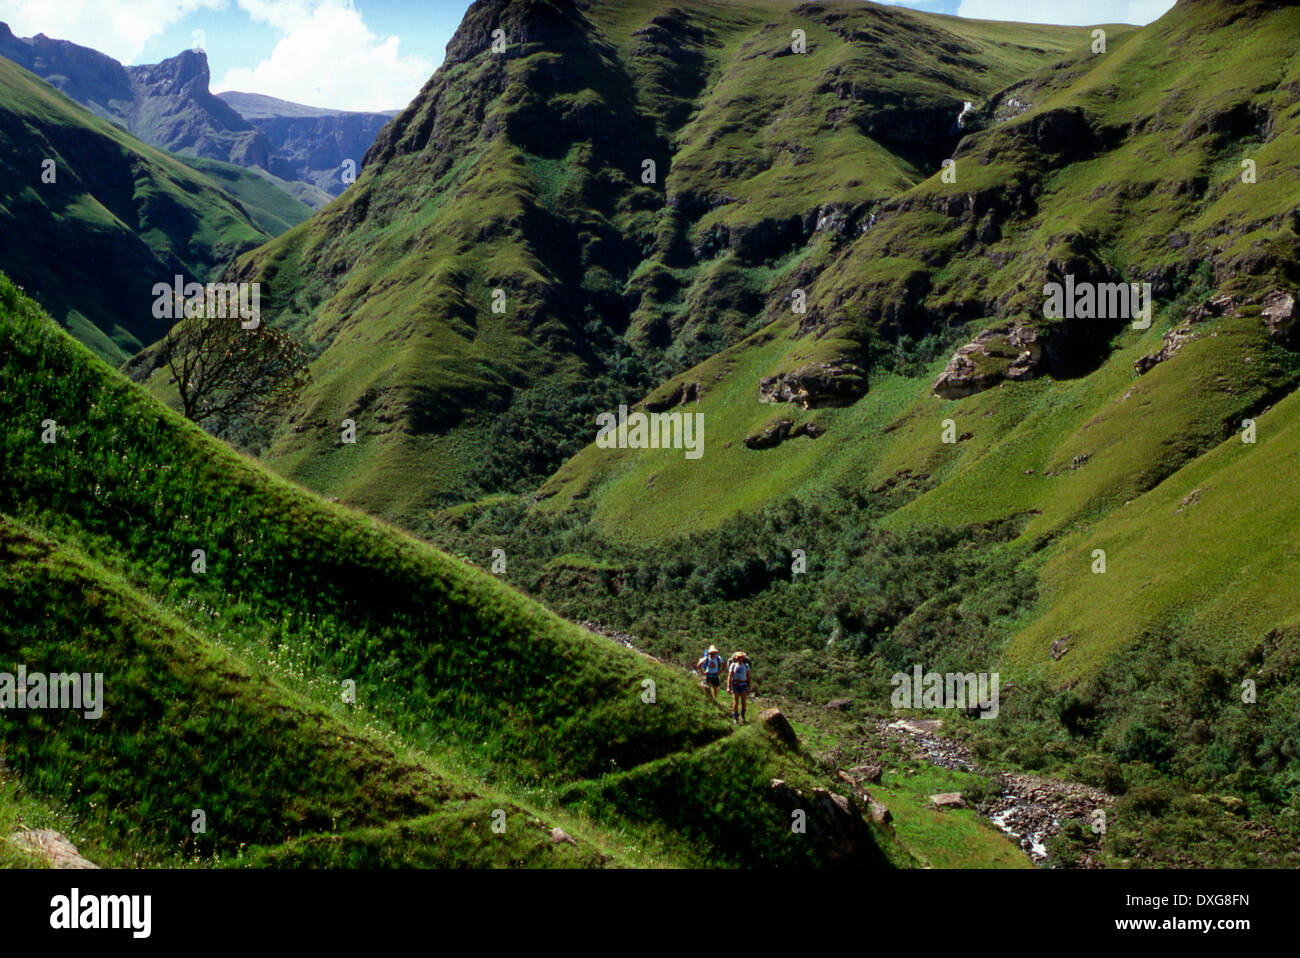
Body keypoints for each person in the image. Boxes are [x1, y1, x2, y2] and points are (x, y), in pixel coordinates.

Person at [727, 651, 752, 724]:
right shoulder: (733, 665)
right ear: (736, 658)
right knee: (735, 702)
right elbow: (730, 676)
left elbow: (749, 677)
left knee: (744, 702)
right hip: (735, 684)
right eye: (738, 658)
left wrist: (749, 687)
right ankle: (735, 718)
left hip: (743, 684)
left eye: (741, 658)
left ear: (743, 658)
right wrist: (728, 686)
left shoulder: (746, 666)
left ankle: (743, 716)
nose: (740, 659)